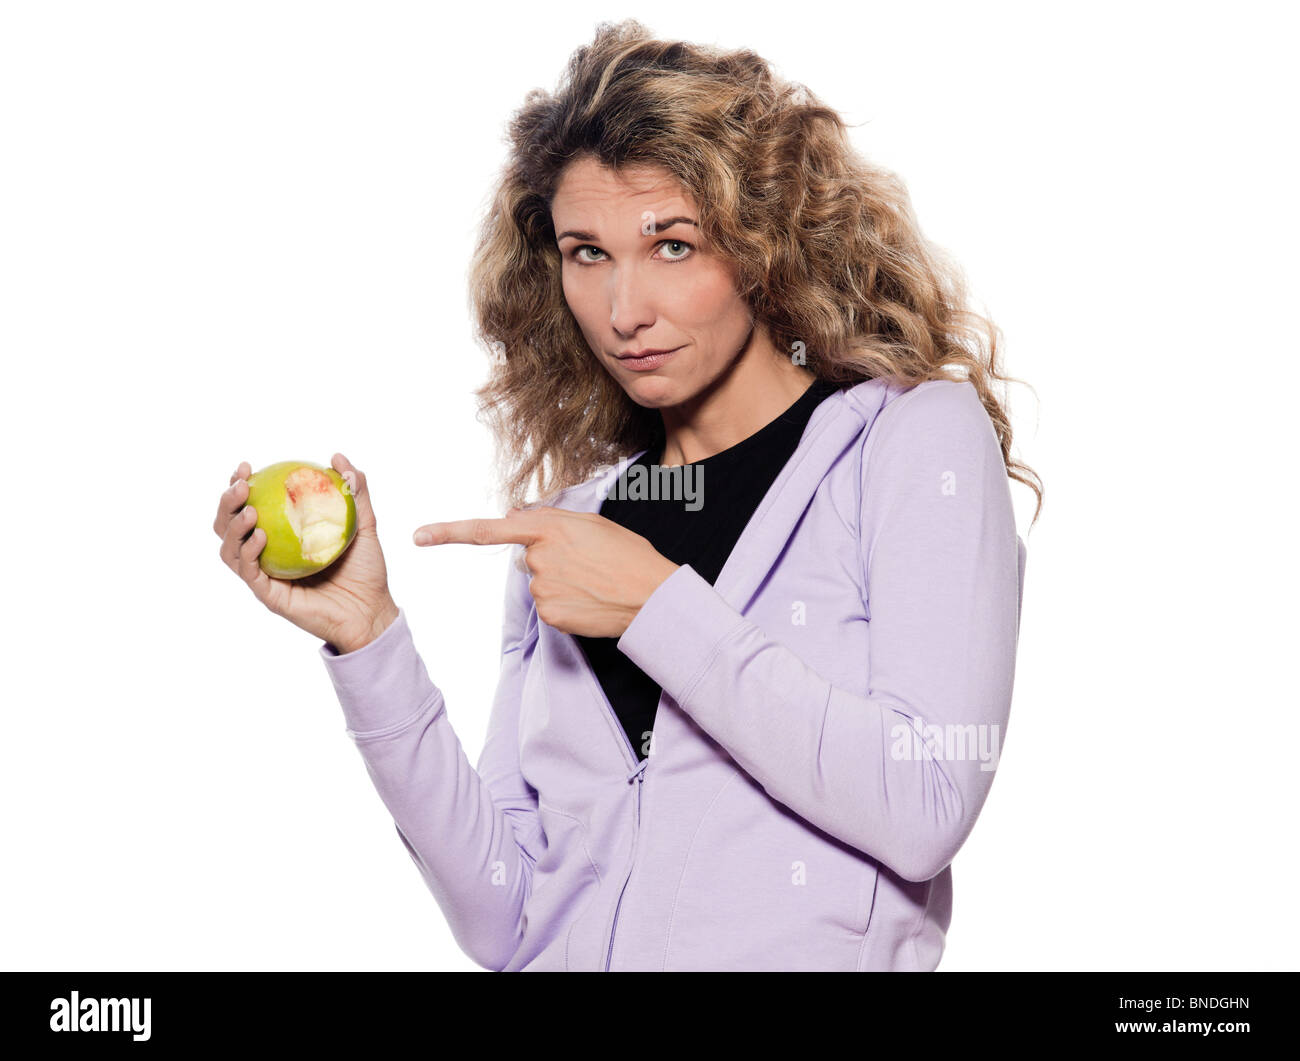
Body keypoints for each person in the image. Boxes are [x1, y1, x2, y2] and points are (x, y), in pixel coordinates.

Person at [213, 19, 1042, 971]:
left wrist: (655, 606)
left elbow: (926, 801)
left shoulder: (910, 441)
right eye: (587, 252)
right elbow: (505, 917)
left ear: (762, 242)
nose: (623, 310)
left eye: (673, 245)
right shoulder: (573, 527)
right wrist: (369, 638)